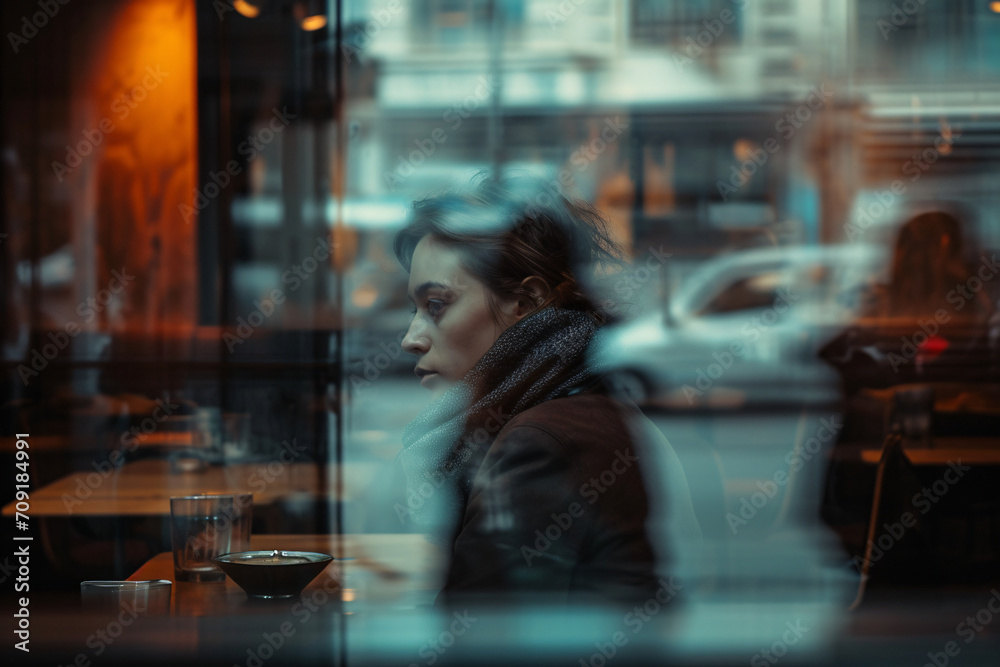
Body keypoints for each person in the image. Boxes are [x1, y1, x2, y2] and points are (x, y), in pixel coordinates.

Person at [392, 174, 701, 608]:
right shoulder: (573, 404)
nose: (411, 339)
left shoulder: (540, 443)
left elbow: (476, 631)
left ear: (527, 302)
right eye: (415, 309)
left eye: (437, 305)